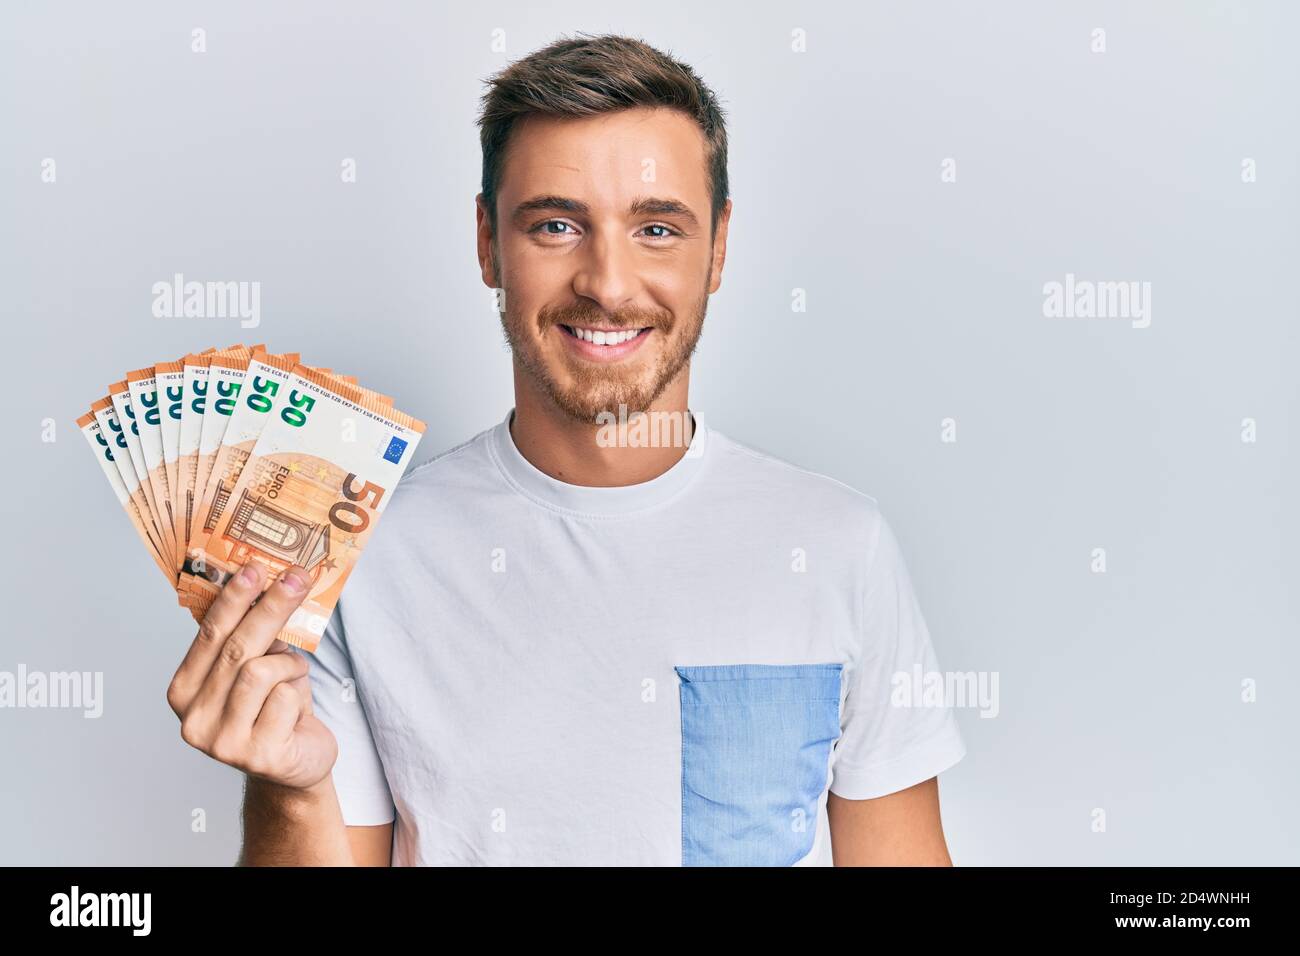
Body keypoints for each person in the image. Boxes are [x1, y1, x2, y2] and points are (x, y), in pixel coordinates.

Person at [166, 33, 966, 866]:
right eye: (555, 225)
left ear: (719, 248)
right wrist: (290, 794)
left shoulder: (839, 546)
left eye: (658, 228)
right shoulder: (363, 560)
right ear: (487, 244)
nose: (608, 284)